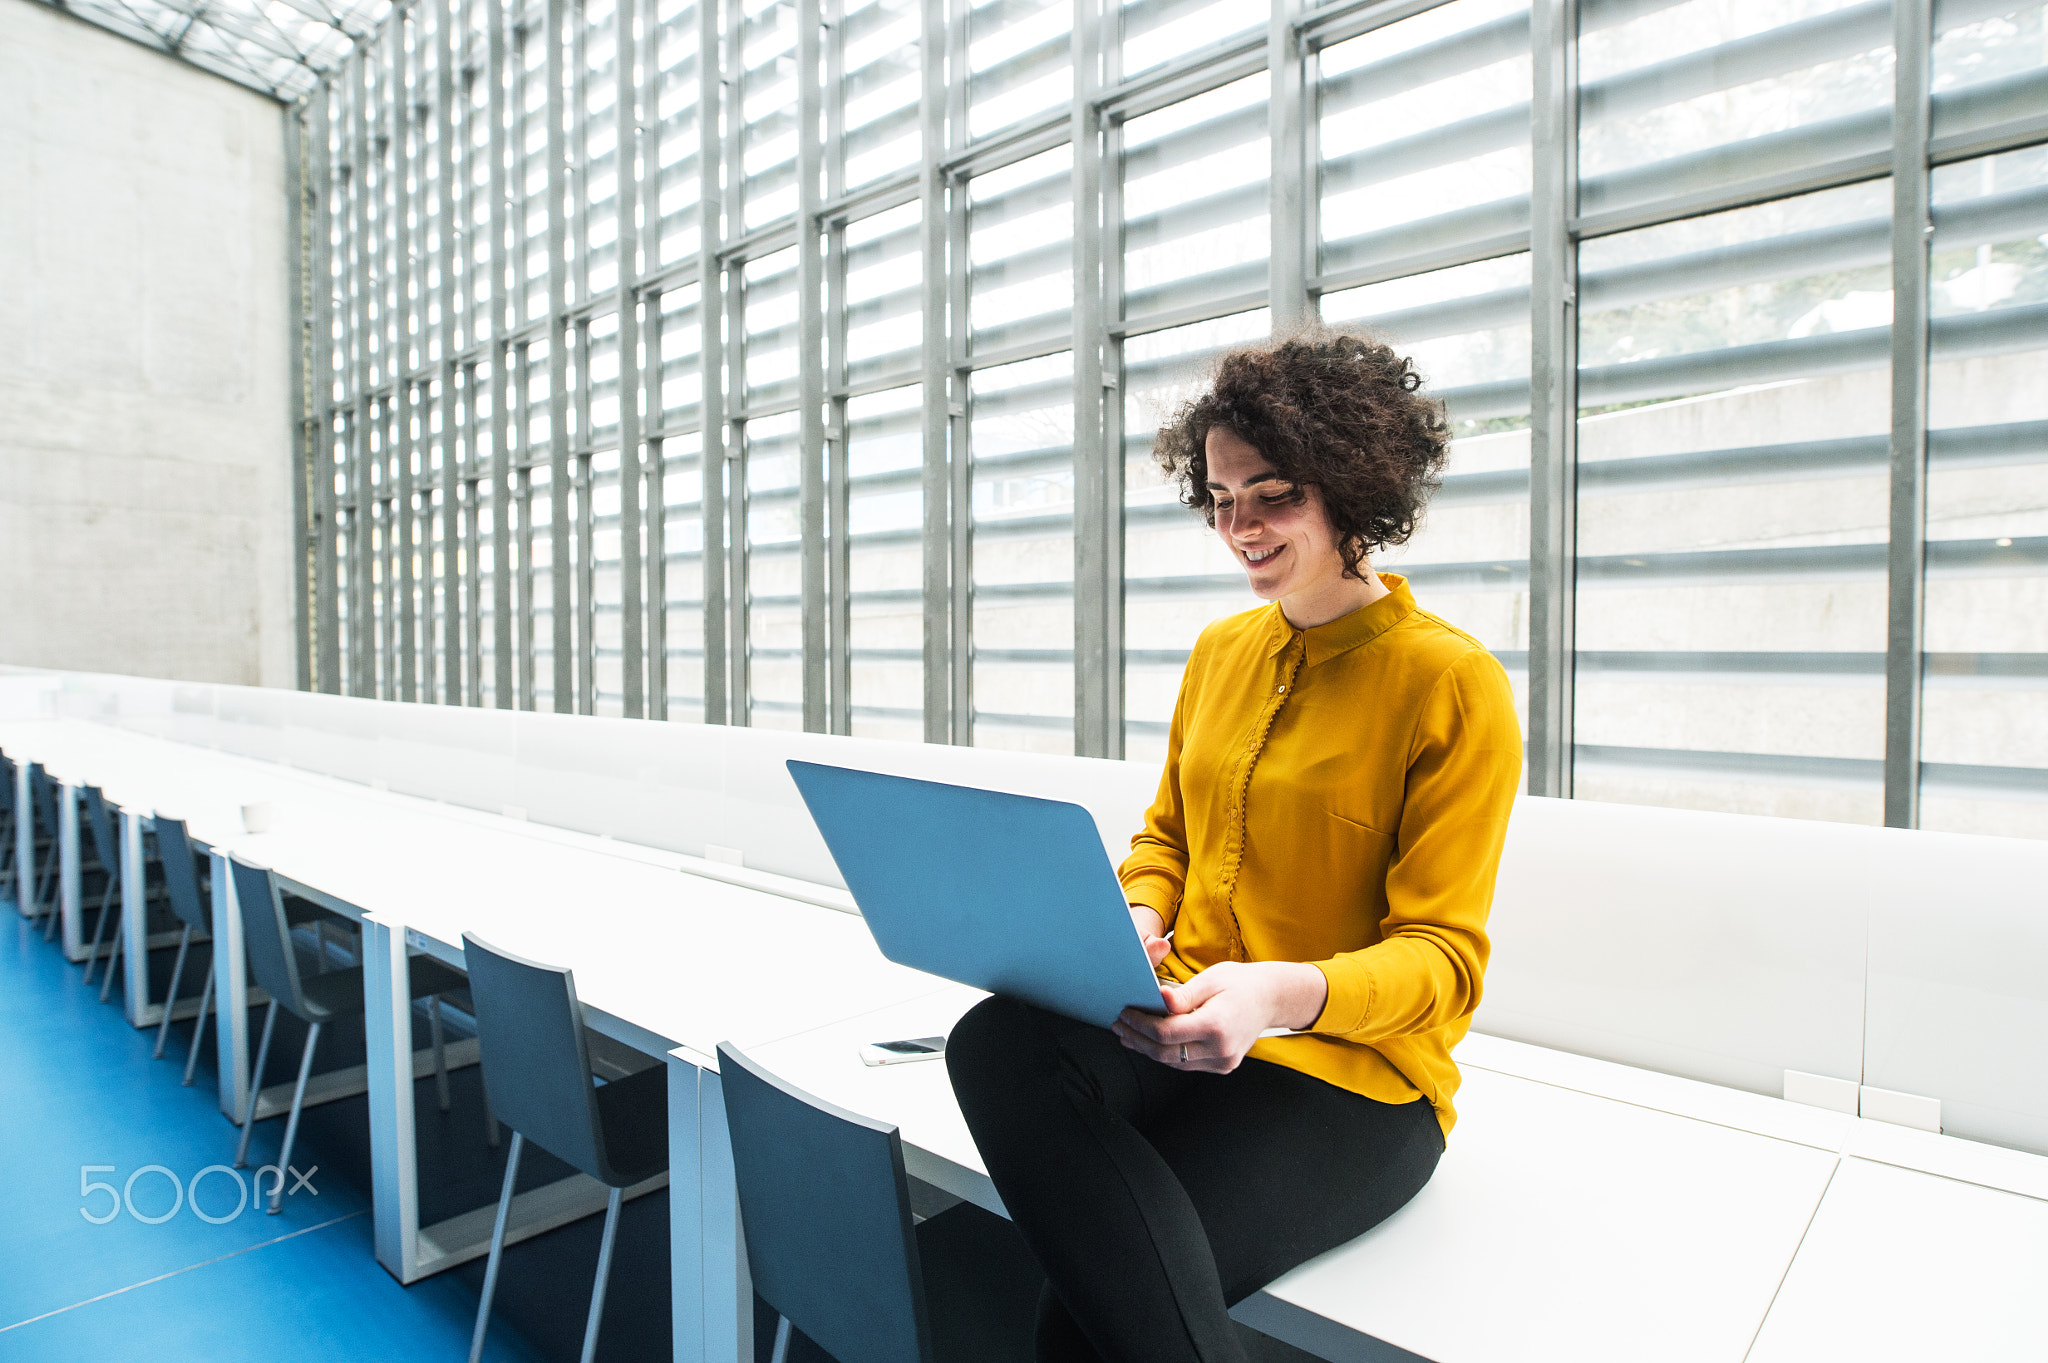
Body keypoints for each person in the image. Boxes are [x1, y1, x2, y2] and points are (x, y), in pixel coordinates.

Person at [946, 328, 1523, 1363]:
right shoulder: (1221, 653)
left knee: (1073, 1329)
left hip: (1351, 1078)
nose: (1240, 526)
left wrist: (1273, 994)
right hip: (1186, 1022)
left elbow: (1442, 959)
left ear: (1350, 485)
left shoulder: (1447, 681)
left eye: (1272, 493)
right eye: (1218, 498)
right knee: (995, 1040)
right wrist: (1137, 915)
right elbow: (1165, 833)